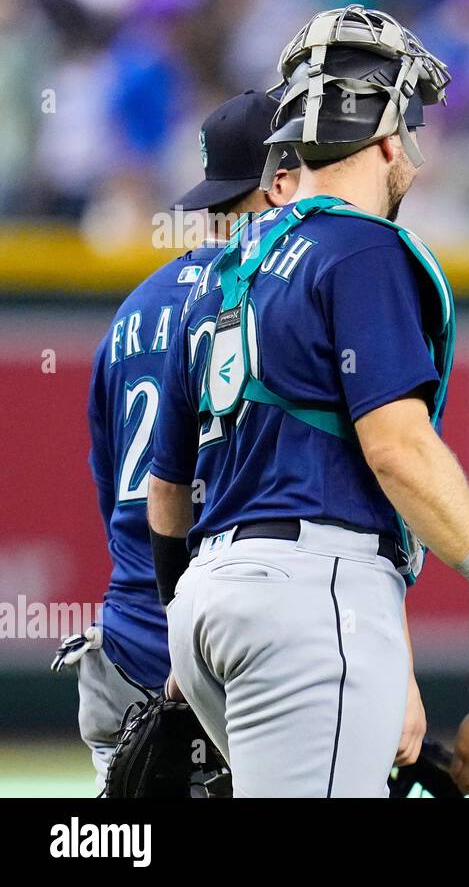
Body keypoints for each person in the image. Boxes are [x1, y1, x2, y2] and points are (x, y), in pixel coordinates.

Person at [146, 5, 469, 798]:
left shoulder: (221, 268)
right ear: (391, 133)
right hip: (310, 596)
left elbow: (167, 491)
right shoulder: (365, 246)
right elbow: (398, 450)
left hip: (210, 600)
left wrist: (180, 613)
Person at [54, 90, 299, 790]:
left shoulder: (135, 308)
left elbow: (113, 492)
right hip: (231, 647)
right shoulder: (277, 300)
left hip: (127, 641)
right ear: (281, 180)